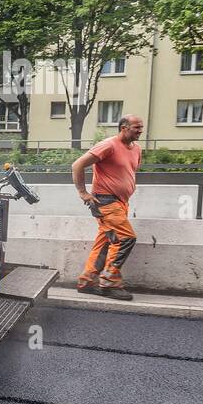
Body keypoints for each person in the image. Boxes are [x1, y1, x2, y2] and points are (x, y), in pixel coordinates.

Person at [73, 115, 144, 300]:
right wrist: (83, 192)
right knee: (125, 239)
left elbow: (126, 173)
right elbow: (77, 165)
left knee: (106, 242)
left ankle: (87, 281)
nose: (140, 131)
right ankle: (109, 282)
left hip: (120, 204)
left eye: (141, 127)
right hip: (105, 202)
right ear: (123, 127)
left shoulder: (136, 149)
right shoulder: (108, 145)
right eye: (136, 127)